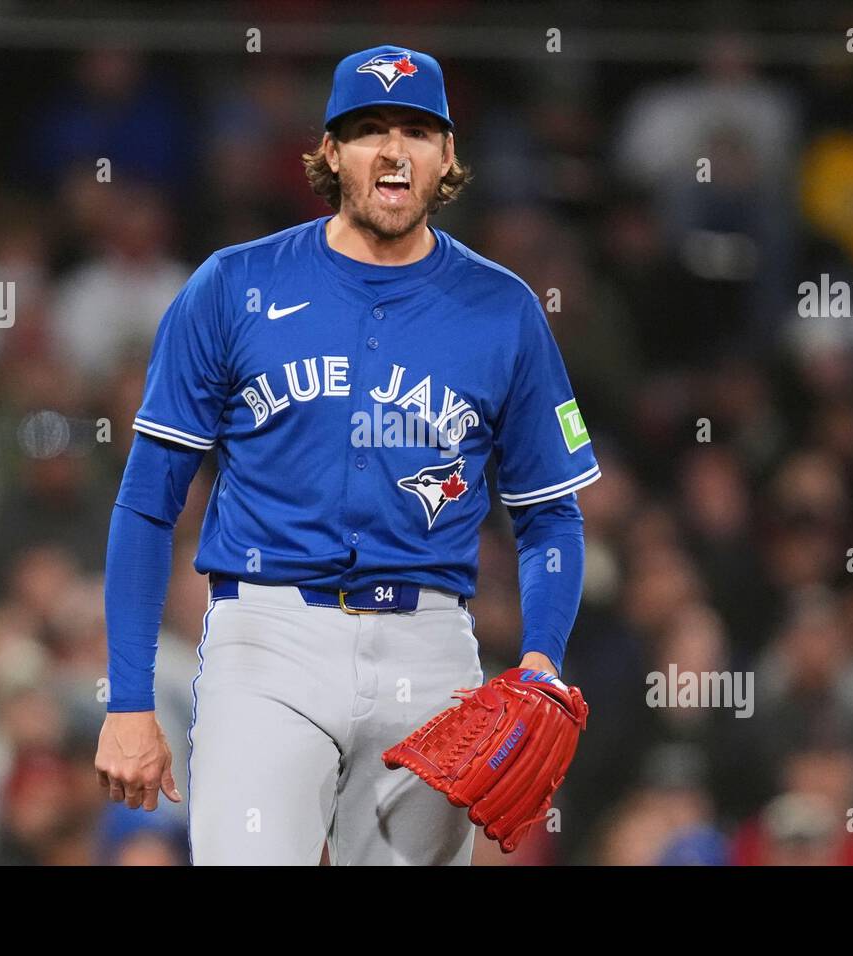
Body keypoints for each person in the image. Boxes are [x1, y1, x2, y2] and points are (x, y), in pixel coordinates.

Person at [94, 44, 600, 865]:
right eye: (368, 129)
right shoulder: (232, 286)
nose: (393, 150)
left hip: (431, 653)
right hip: (268, 638)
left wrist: (541, 657)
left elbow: (551, 515)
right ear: (330, 153)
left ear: (446, 157)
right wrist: (126, 698)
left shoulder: (504, 309)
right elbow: (148, 501)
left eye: (417, 130)